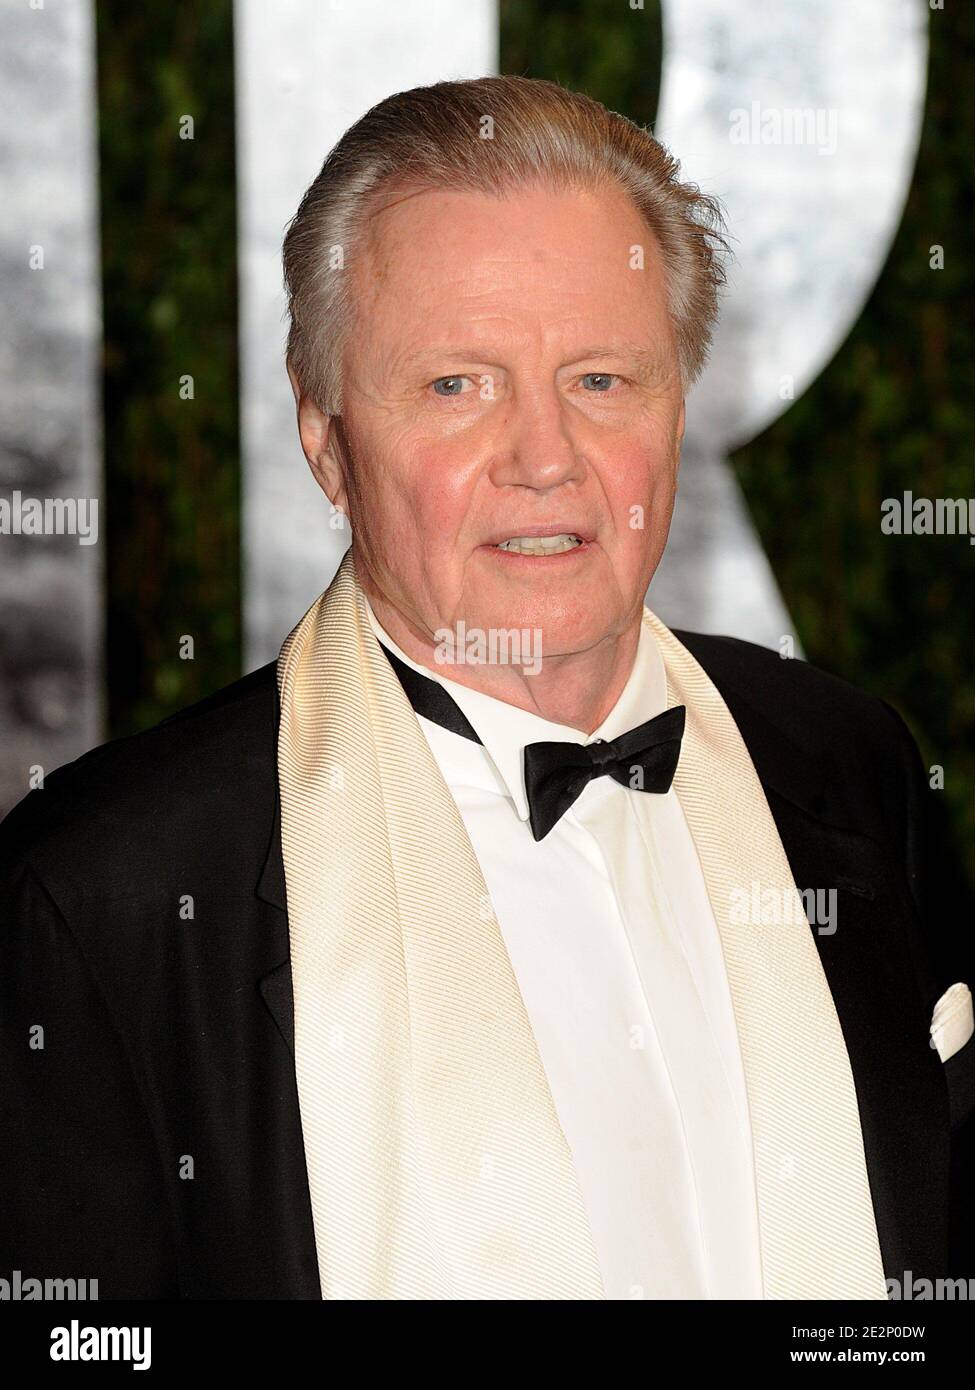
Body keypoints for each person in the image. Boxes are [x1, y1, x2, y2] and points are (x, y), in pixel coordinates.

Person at [1, 75, 972, 1301]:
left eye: (602, 381)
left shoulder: (849, 770)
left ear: (680, 411)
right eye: (459, 384)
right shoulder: (105, 898)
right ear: (326, 437)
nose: (545, 457)